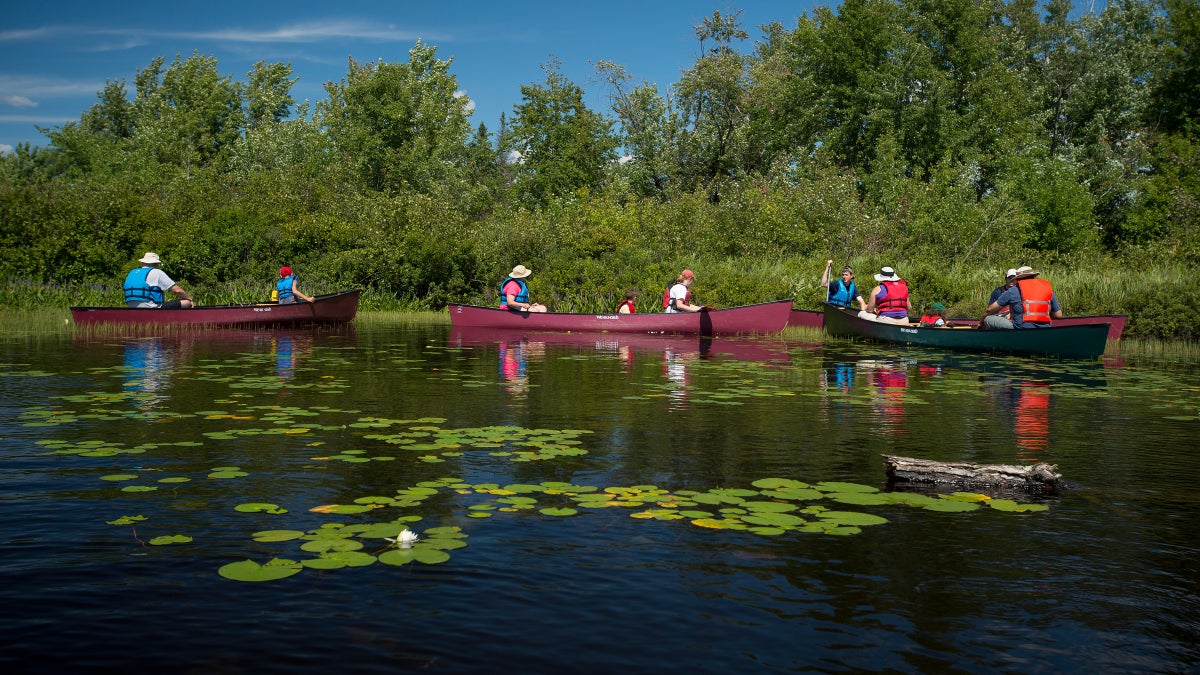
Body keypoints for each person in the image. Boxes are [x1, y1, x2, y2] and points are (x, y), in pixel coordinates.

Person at [980, 266, 1063, 329]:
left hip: (1021, 328)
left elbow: (989, 310)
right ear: (1033, 277)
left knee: (988, 318)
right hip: (1045, 328)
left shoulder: (1013, 291)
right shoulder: (1047, 290)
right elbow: (1058, 315)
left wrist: (981, 323)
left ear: (1018, 279)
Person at [123, 252, 194, 309]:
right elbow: (177, 290)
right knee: (186, 303)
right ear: (156, 264)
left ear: (143, 262)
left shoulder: (132, 272)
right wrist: (189, 299)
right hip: (152, 308)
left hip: (131, 308)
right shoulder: (157, 272)